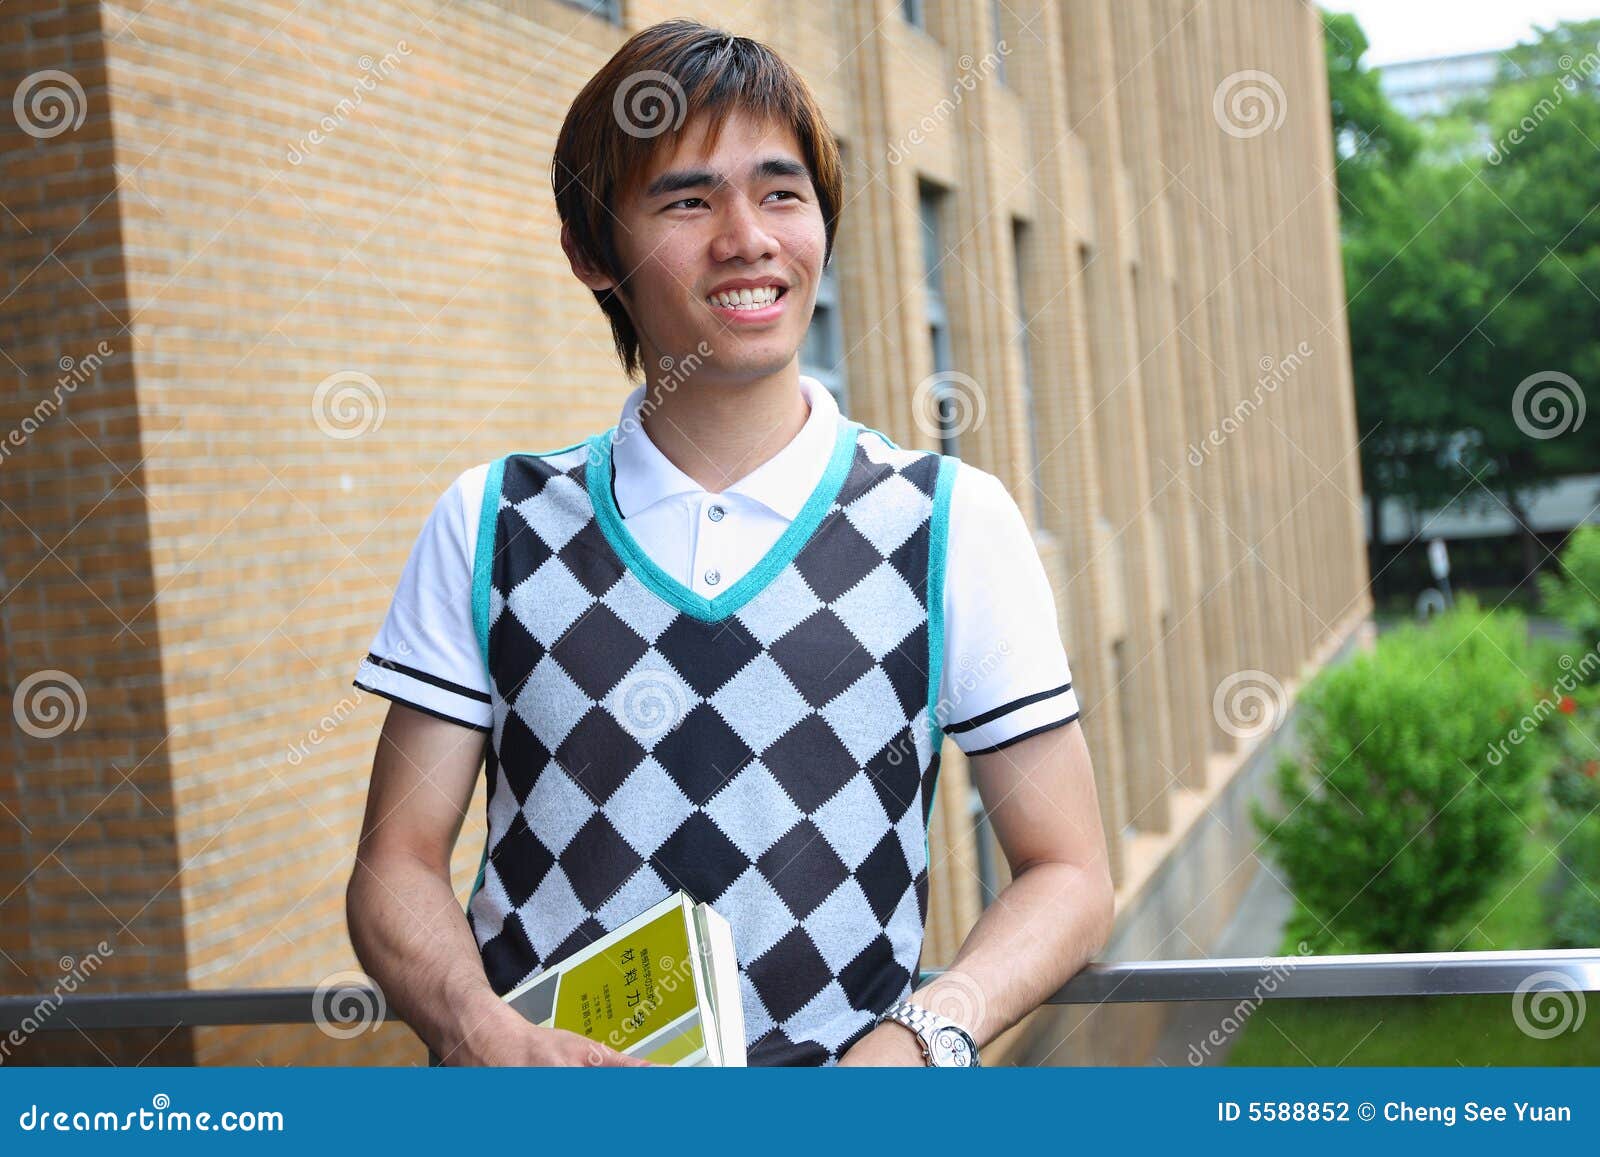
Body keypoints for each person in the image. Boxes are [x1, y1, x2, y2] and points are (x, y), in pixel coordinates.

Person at [345, 17, 1113, 1068]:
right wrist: (478, 1029)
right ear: (589, 253)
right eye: (688, 198)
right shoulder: (493, 521)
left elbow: (1066, 870)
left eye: (781, 191)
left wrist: (923, 1031)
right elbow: (395, 864)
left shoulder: (950, 522)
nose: (748, 236)